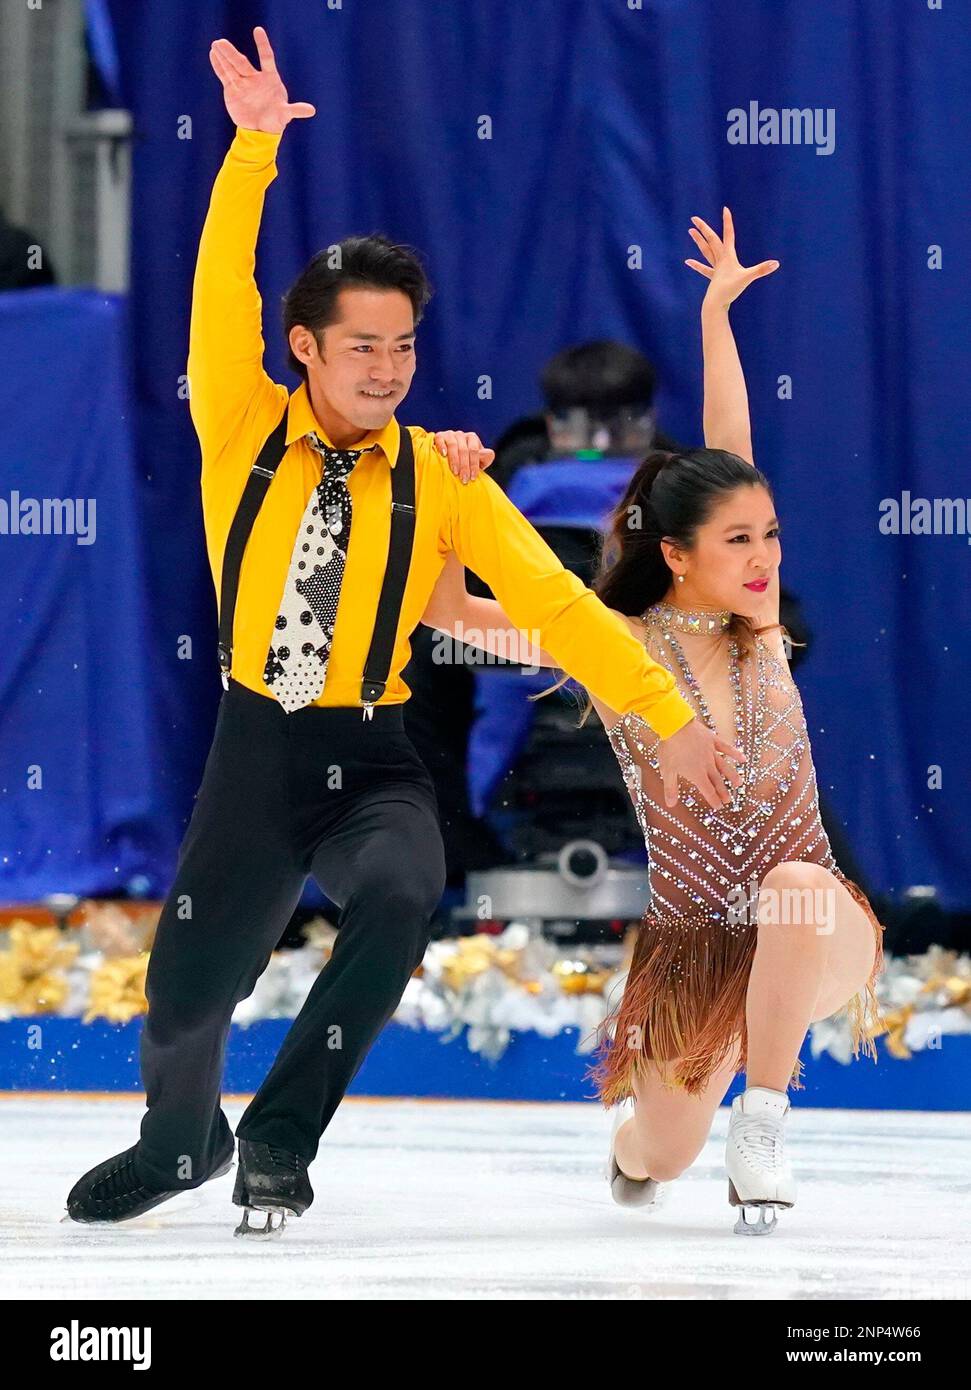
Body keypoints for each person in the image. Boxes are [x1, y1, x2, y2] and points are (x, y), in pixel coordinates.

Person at [65, 27, 735, 1236]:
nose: (385, 366)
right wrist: (254, 152)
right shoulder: (241, 423)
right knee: (182, 995)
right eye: (360, 345)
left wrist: (666, 715)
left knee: (399, 893)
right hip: (255, 745)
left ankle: (279, 1135)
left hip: (371, 756)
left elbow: (557, 607)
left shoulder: (447, 475)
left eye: (404, 345)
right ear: (304, 348)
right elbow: (220, 284)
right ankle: (181, 1139)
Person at [422, 208, 886, 1235]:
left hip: (816, 931)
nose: (765, 553)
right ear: (676, 553)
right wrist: (458, 498)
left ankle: (761, 1118)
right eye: (737, 539)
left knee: (795, 887)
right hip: (692, 947)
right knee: (654, 1155)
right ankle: (645, 1143)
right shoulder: (608, 645)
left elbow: (732, 446)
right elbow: (450, 616)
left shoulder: (756, 620)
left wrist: (717, 315)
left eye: (767, 532)